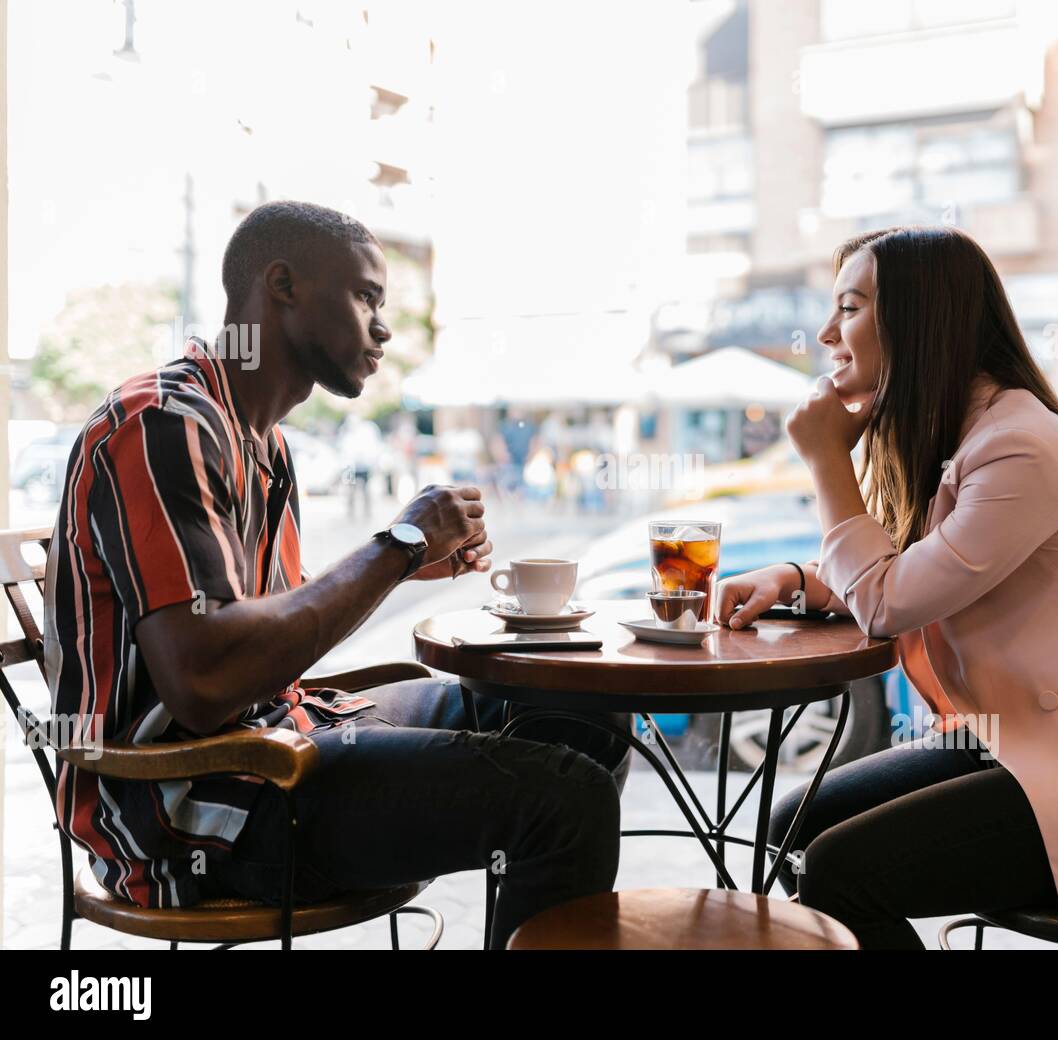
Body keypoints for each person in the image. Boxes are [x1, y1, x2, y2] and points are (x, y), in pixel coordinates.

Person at [44, 201, 630, 949]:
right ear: (281, 285)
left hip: (279, 736)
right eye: (365, 297)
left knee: (579, 717)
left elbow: (255, 621)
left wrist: (399, 569)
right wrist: (400, 543)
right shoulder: (165, 424)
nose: (383, 327)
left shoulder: (262, 443)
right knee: (563, 798)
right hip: (190, 804)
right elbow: (204, 682)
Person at [717, 225, 1058, 950]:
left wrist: (825, 464)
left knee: (837, 870)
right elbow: (922, 572)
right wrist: (795, 580)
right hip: (1031, 743)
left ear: (918, 321)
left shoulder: (1019, 447)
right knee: (791, 830)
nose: (825, 330)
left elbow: (888, 603)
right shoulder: (971, 430)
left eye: (850, 307)